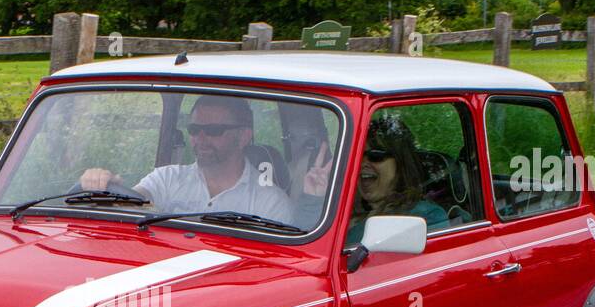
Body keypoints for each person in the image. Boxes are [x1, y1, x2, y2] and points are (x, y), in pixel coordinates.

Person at [78, 95, 333, 228]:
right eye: (194, 129)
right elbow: (132, 203)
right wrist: (102, 185)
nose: (200, 139)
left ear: (243, 136)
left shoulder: (269, 201)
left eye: (213, 131)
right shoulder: (167, 178)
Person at [345, 113, 448, 244]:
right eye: (357, 156)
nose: (363, 163)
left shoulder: (425, 216)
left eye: (375, 156)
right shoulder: (342, 212)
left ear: (400, 165)